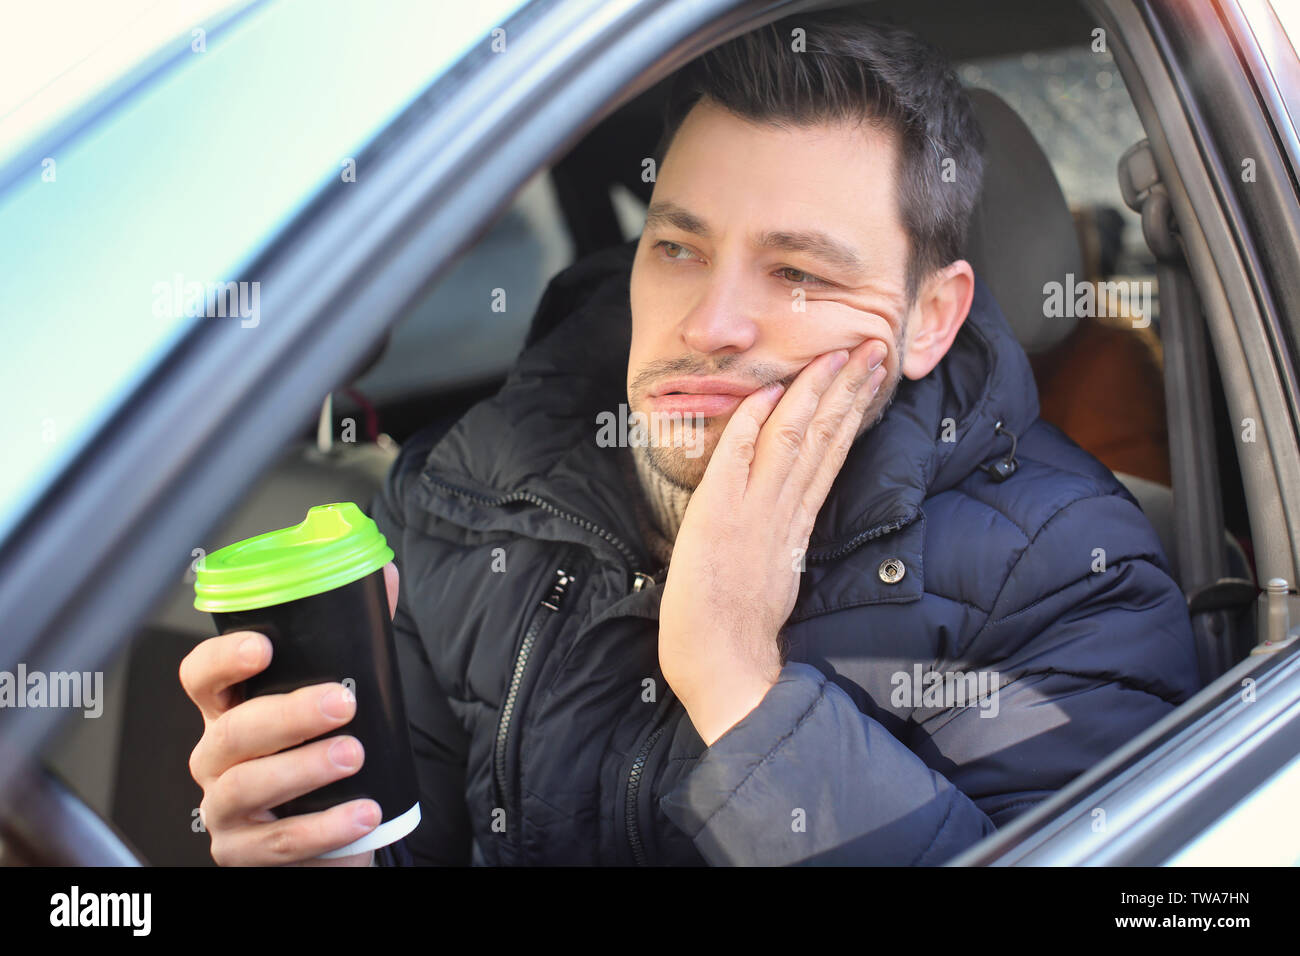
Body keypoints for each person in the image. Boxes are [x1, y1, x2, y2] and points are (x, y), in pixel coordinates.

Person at [180, 10, 1201, 866]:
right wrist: (324, 840)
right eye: (677, 245)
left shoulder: (1077, 577)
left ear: (929, 317)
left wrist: (734, 677)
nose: (708, 321)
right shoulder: (459, 498)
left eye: (798, 271)